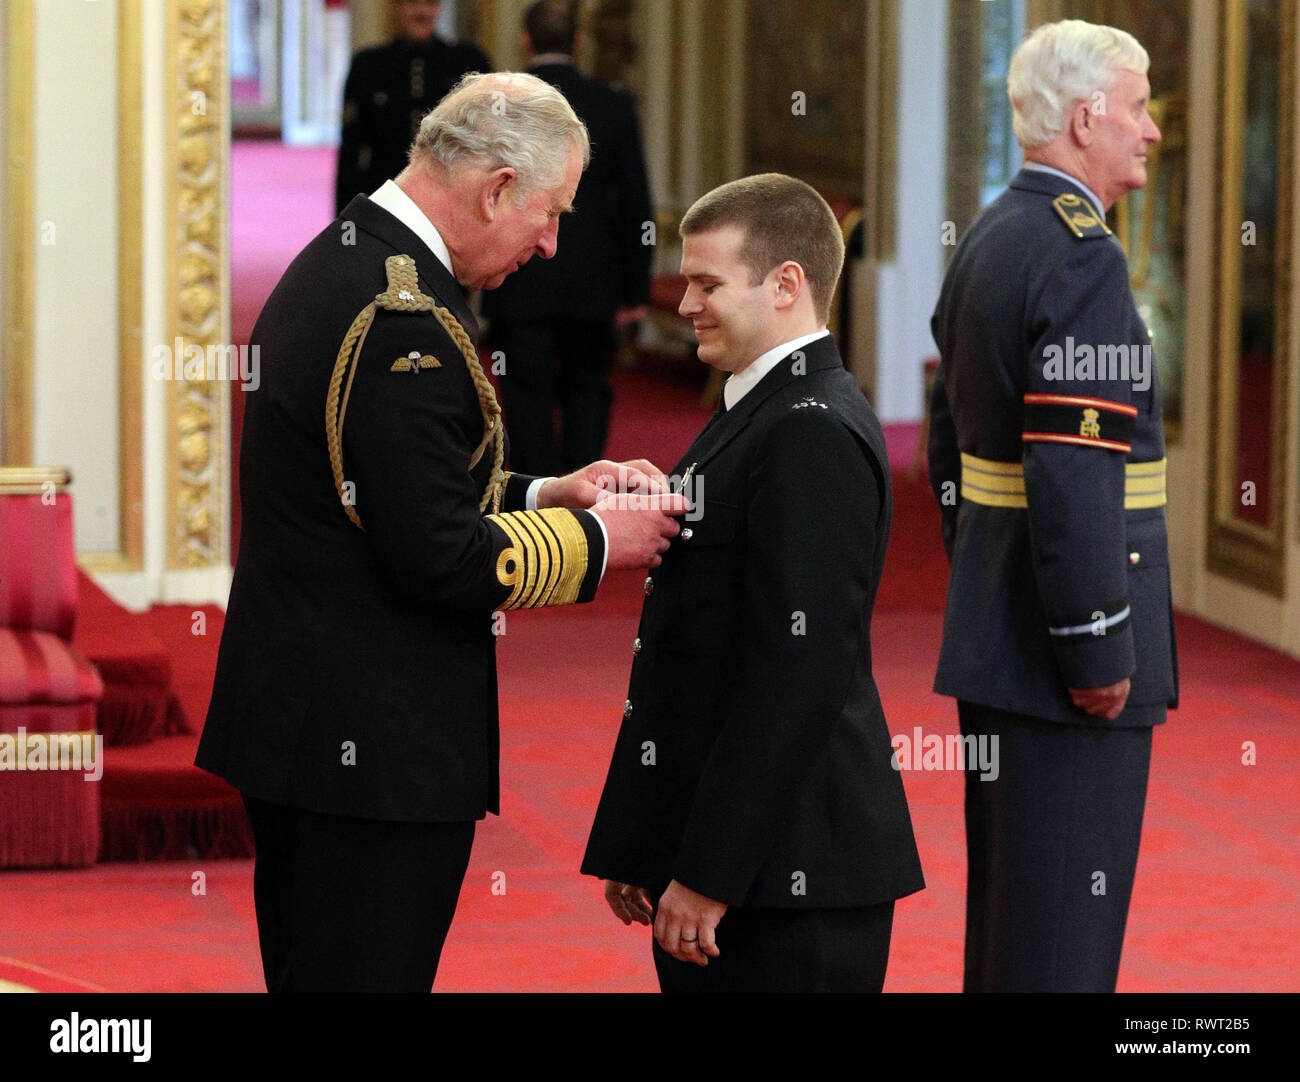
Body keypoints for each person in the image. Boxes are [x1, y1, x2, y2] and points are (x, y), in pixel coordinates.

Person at [197, 72, 686, 993]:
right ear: (496, 187)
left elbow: (401, 479)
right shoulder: (400, 317)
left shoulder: (365, 257)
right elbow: (439, 554)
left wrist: (552, 492)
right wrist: (601, 545)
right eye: (549, 213)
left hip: (317, 722)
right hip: (368, 751)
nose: (550, 243)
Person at [581, 173, 925, 993]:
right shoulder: (760, 408)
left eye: (708, 283)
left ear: (786, 285)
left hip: (790, 881)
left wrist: (707, 873)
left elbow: (795, 675)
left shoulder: (810, 431)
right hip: (744, 866)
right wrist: (647, 840)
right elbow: (694, 652)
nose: (688, 302)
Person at [927, 19, 1177, 992]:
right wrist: (1094, 640)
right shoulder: (1083, 257)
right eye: (1138, 106)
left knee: (1009, 928)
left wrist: (986, 567)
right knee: (1061, 950)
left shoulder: (993, 232)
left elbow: (952, 446)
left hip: (1000, 626)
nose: (1151, 129)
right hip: (1063, 654)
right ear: (1085, 119)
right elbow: (1073, 470)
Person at [481, 0, 653, 475]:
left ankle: (535, 503)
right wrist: (635, 289)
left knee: (525, 395)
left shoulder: (504, 112)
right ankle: (584, 496)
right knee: (588, 389)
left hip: (519, 277)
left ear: (525, 40)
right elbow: (637, 203)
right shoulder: (614, 103)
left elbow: (487, 196)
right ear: (578, 42)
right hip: (594, 286)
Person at [334, 0, 490, 215]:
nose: (422, 12)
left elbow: (485, 139)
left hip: (450, 194)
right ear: (396, 6)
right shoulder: (368, 65)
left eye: (430, 3)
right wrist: (346, 218)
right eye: (412, 3)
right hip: (386, 193)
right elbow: (351, 149)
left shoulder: (467, 62)